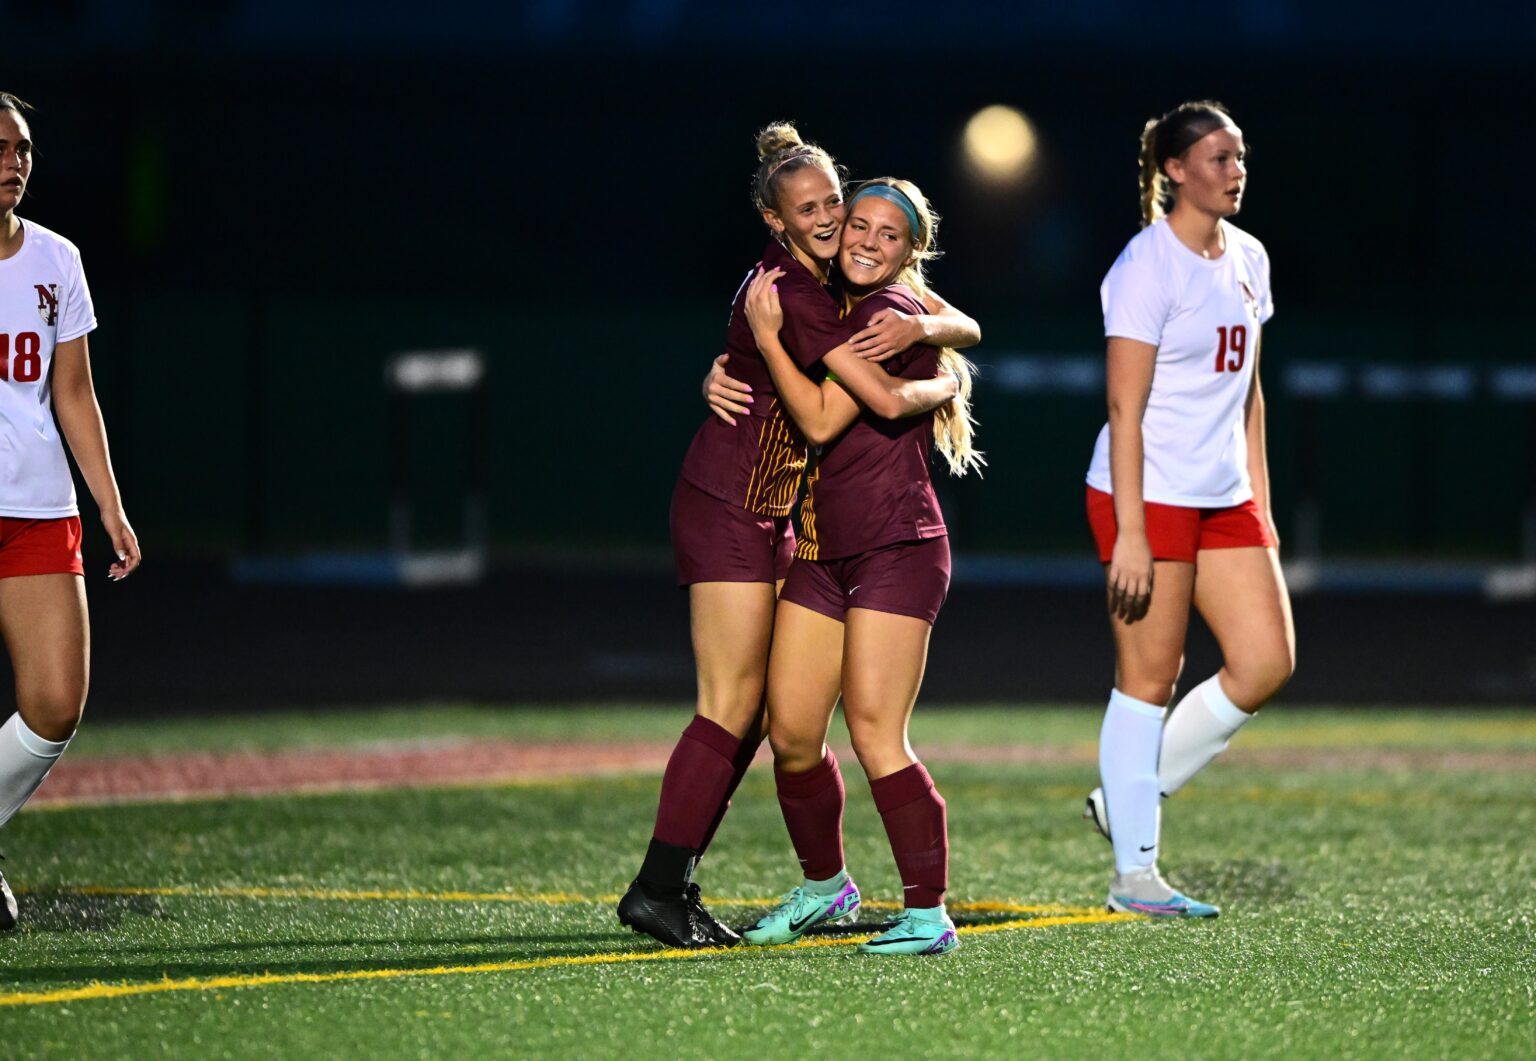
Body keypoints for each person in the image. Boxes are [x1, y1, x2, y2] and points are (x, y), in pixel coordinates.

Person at [617, 125, 978, 950]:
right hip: (746, 509)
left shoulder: (851, 295)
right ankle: (674, 886)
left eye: (836, 206)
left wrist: (940, 347)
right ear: (776, 222)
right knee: (751, 713)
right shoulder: (805, 293)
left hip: (830, 529)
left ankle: (912, 907)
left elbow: (939, 325)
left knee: (805, 722)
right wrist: (762, 347)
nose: (832, 222)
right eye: (817, 212)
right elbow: (825, 405)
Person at [736, 177, 983, 956]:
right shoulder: (837, 306)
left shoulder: (885, 311)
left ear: (911, 250)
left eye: (890, 234)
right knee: (795, 736)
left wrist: (770, 341)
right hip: (820, 552)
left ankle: (928, 912)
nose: (869, 241)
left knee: (878, 735)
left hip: (896, 549)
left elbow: (824, 413)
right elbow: (958, 329)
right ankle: (825, 888)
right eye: (859, 226)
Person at [1082, 101, 1294, 918]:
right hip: (1148, 490)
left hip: (1222, 491)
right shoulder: (1145, 265)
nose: (1234, 170)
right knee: (1148, 676)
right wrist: (1132, 532)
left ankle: (1125, 794)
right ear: (1173, 169)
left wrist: (1261, 503)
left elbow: (1251, 393)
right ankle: (1135, 875)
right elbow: (1124, 407)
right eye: (1216, 157)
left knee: (1266, 661)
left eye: (1240, 156)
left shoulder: (1249, 256)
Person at [0, 92, 142, 931]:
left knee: (56, 701)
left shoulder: (57, 260)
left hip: (38, 505)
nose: (12, 161)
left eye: (20, 148)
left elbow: (74, 392)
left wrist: (110, 506)